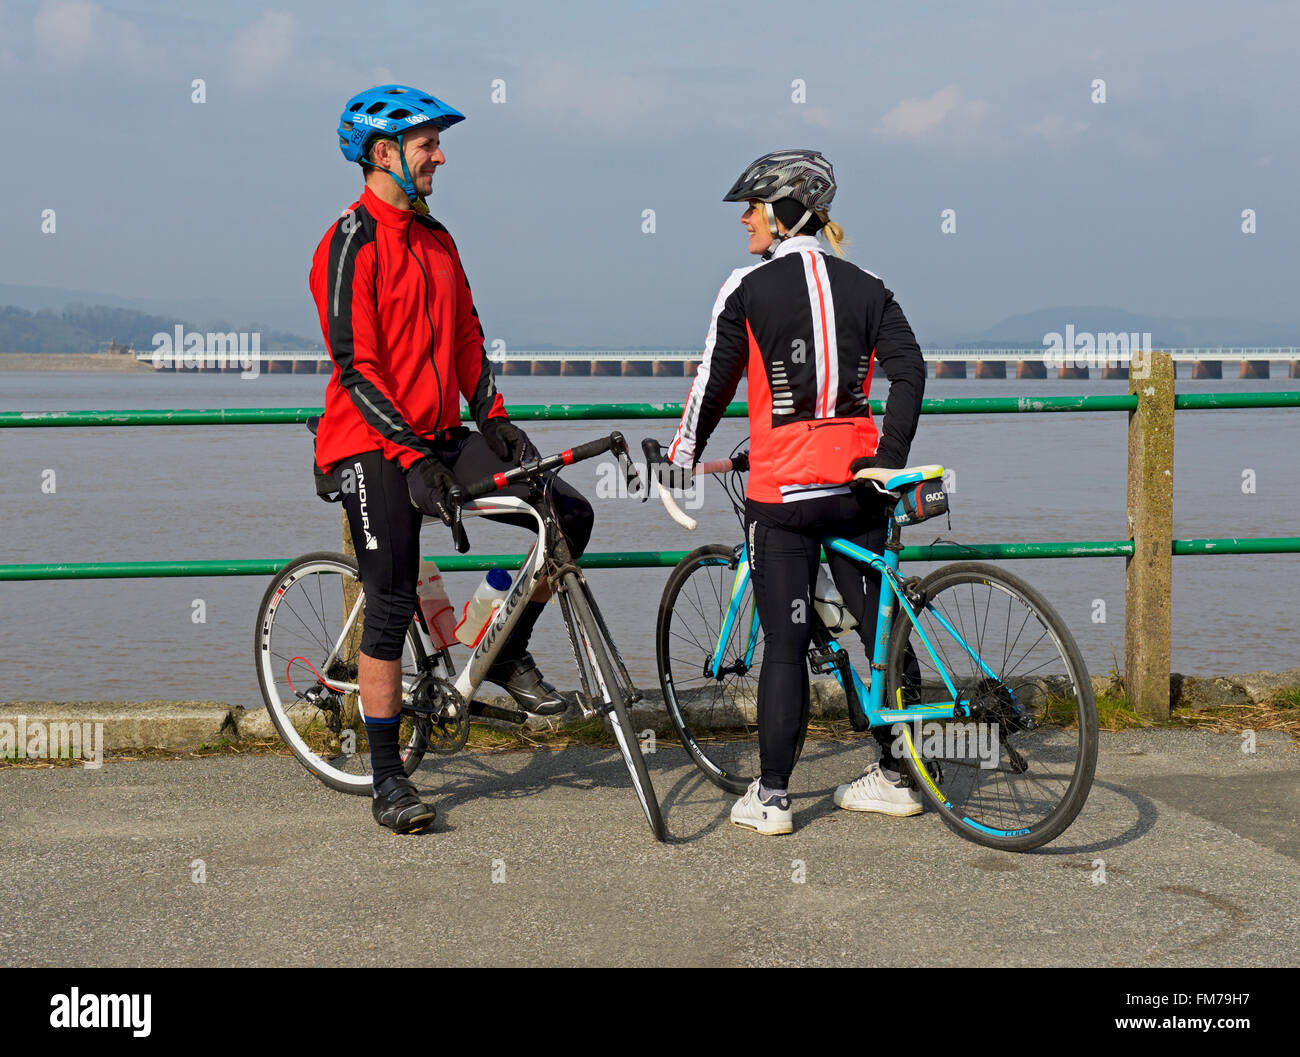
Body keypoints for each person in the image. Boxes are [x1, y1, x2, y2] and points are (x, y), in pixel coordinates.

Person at [309, 85, 594, 834]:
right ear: (383, 154)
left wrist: (494, 421)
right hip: (371, 442)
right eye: (428, 143)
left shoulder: (437, 238)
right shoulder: (349, 242)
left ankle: (503, 655)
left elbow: (468, 336)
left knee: (566, 512)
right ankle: (387, 778)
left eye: (437, 142)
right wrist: (410, 459)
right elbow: (356, 367)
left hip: (437, 432)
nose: (441, 155)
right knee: (393, 600)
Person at [664, 149, 927, 835]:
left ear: (783, 214)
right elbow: (911, 369)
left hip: (784, 496)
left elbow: (713, 386)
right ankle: (898, 777)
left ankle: (773, 797)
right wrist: (888, 456)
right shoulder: (869, 284)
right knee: (878, 627)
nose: (745, 218)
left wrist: (681, 459)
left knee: (786, 640)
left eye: (752, 205)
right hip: (860, 484)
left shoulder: (746, 288)